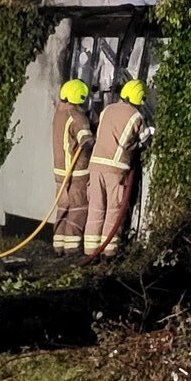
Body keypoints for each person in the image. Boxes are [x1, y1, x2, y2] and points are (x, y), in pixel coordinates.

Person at [85, 77, 151, 257]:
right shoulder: (136, 116)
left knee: (96, 207)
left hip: (96, 164)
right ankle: (109, 250)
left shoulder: (108, 109)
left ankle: (90, 250)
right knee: (113, 209)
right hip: (115, 168)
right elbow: (146, 141)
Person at [51, 79, 93, 254]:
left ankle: (58, 246)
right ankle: (72, 249)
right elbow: (87, 142)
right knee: (78, 209)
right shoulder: (76, 116)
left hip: (61, 173)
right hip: (76, 173)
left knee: (63, 210)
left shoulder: (59, 114)